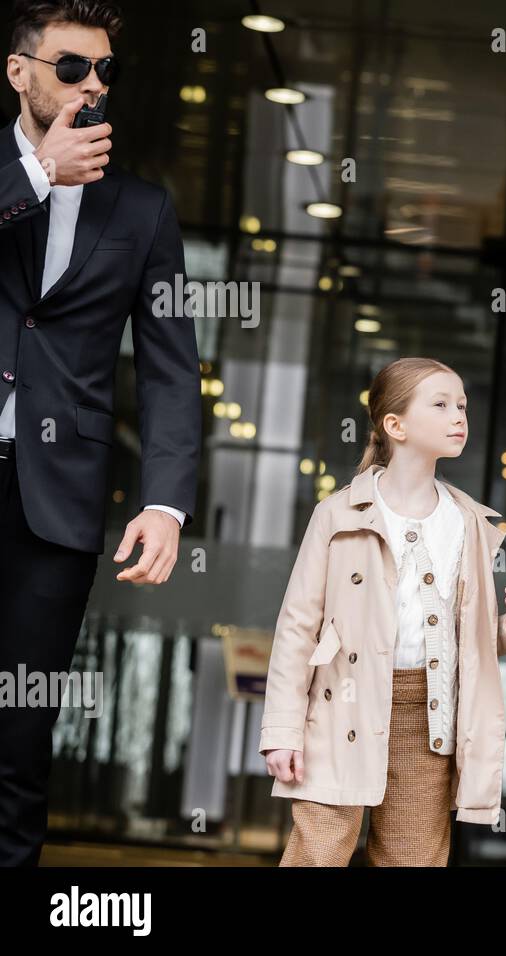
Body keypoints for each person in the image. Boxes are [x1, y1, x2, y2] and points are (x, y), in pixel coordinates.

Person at [0, 0, 200, 866]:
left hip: (54, 507)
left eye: (104, 71)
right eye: (70, 66)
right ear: (20, 71)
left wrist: (164, 501)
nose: (91, 85)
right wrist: (39, 174)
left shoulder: (144, 211)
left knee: (19, 736)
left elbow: (168, 367)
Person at [260, 358, 506, 866]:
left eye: (461, 404)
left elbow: (473, 638)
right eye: (440, 405)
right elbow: (296, 630)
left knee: (412, 859)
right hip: (339, 709)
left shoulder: (470, 523)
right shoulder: (338, 513)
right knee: (318, 853)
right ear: (394, 425)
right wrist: (282, 731)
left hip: (429, 718)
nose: (458, 415)